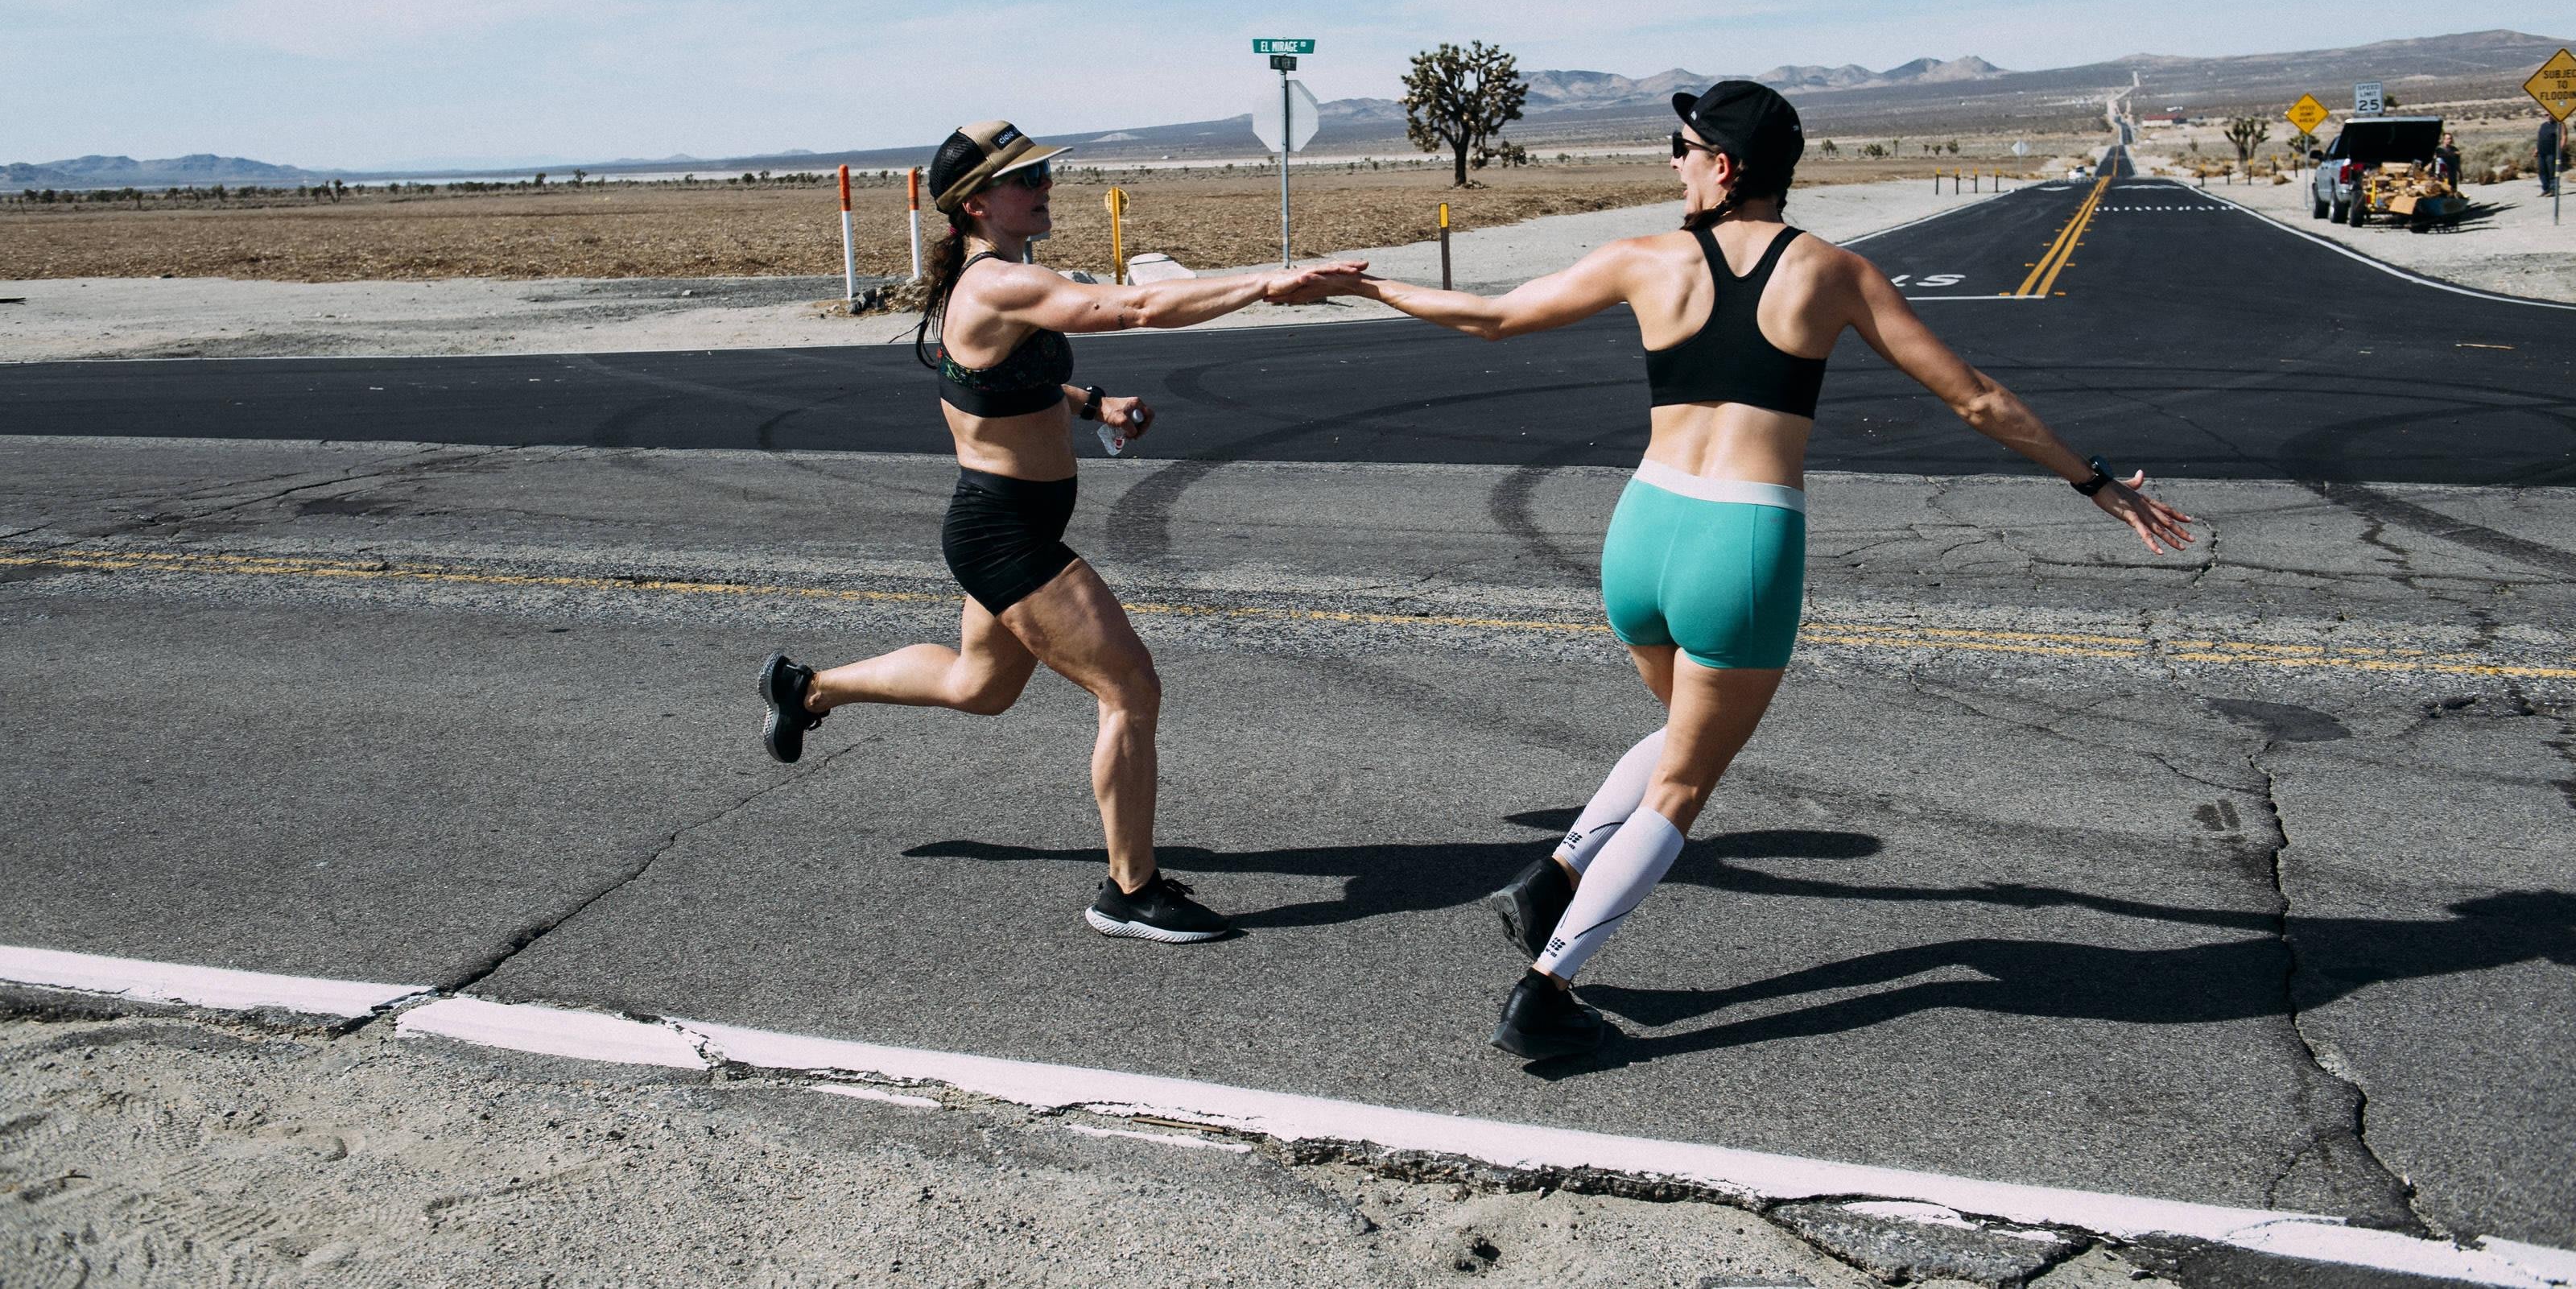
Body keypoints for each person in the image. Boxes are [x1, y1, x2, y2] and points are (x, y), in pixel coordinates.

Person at [1338, 81, 2196, 1060]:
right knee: (1686, 782)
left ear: (1724, 166)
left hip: (1641, 532)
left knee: (1678, 735)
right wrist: (2091, 483)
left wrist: (1362, 287)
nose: (1671, 159)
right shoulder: (1831, 274)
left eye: (1682, 145)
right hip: (1738, 544)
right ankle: (1548, 988)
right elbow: (1975, 401)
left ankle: (1557, 875)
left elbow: (1489, 319)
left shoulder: (1642, 260)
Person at [758, 121, 1360, 944]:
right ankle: (1129, 891)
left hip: (1009, 522)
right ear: (974, 204)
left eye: (1042, 172)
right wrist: (1266, 284)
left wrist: (1090, 402)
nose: (1041, 186)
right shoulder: (991, 286)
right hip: (1004, 533)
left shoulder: (1006, 278)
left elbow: (995, 377)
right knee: (1130, 688)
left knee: (981, 687)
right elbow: (1135, 304)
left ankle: (807, 688)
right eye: (1023, 178)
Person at [2541, 118, 2562, 196]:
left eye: (2550, 114)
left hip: (2552, 152)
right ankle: (2546, 189)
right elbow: (2541, 138)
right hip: (2542, 152)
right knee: (2543, 172)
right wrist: (2537, 149)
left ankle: (2554, 189)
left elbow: (2564, 137)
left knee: (2552, 172)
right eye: (2546, 115)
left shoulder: (2558, 125)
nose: (2548, 116)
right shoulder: (2543, 125)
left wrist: (2560, 150)